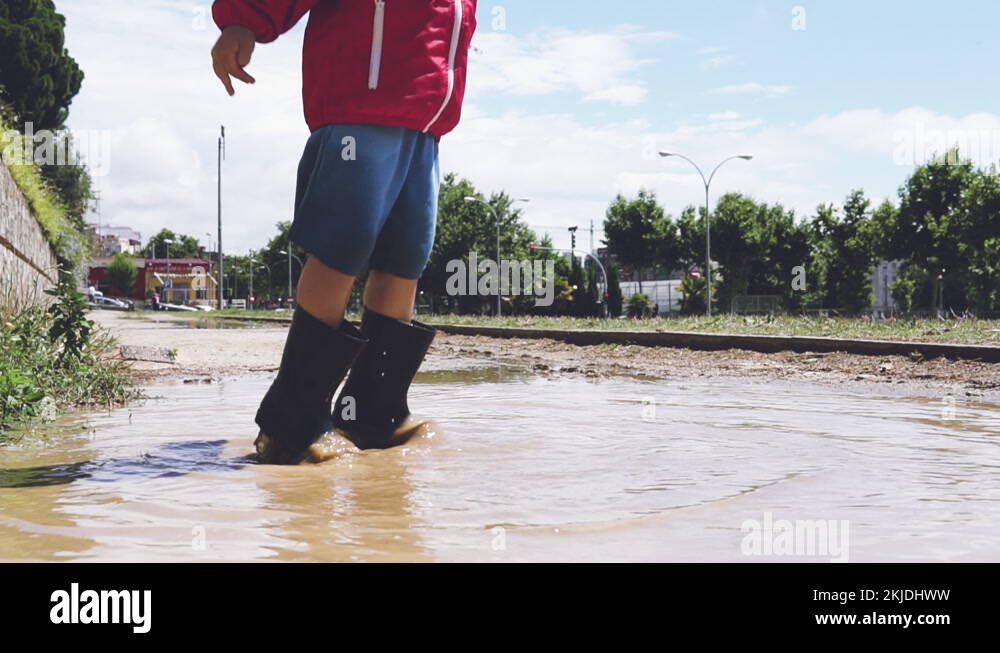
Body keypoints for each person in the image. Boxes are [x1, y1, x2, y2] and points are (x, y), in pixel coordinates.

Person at [210, 0, 478, 464]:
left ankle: (375, 414)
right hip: (360, 110)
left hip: (425, 126)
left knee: (404, 262)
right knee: (340, 252)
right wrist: (244, 19)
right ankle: (291, 425)